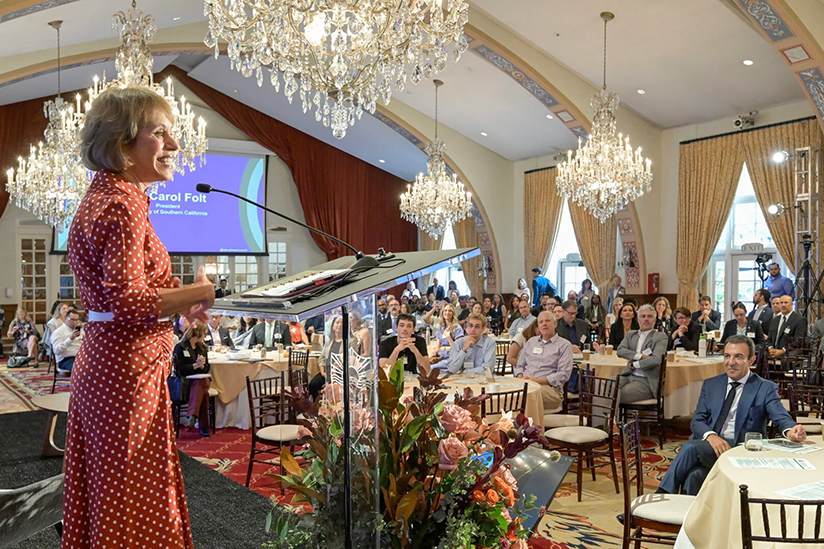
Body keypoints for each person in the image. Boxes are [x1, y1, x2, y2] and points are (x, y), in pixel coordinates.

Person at [63, 86, 217, 549]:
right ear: (122, 145)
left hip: (110, 365)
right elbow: (129, 303)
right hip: (125, 374)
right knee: (133, 501)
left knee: (113, 496)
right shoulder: (123, 204)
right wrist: (201, 291)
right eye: (160, 134)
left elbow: (123, 298)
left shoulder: (105, 197)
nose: (174, 146)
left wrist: (180, 302)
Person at [657, 336, 804, 496]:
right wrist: (711, 436)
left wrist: (791, 431)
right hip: (712, 448)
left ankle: (661, 498)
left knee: (692, 460)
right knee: (693, 471)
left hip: (742, 451)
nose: (731, 362)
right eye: (727, 356)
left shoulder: (764, 388)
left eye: (738, 357)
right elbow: (698, 420)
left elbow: (780, 416)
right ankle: (684, 518)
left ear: (751, 360)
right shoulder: (711, 384)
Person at [514, 311, 573, 410]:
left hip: (550, 390)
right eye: (541, 322)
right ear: (538, 326)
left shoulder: (564, 345)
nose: (544, 324)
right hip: (525, 384)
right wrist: (520, 378)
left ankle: (529, 424)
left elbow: (563, 374)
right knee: (506, 392)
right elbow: (519, 365)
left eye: (547, 321)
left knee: (527, 394)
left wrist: (537, 381)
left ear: (555, 324)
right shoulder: (531, 342)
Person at [616, 305, 668, 405]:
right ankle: (606, 419)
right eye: (643, 316)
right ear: (638, 319)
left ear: (655, 319)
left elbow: (656, 359)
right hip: (628, 375)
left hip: (646, 381)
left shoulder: (660, 337)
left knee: (615, 393)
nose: (646, 319)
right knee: (604, 387)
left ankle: (610, 419)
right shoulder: (631, 334)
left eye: (649, 316)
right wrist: (640, 356)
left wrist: (634, 364)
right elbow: (620, 351)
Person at [173, 324, 213, 437]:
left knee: (201, 381)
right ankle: (203, 427)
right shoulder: (180, 347)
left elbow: (207, 368)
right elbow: (180, 369)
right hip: (186, 382)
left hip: (202, 378)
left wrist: (201, 366)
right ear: (198, 333)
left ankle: (192, 415)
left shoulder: (202, 347)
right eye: (204, 333)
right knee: (203, 392)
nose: (205, 336)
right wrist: (195, 366)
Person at [51, 308, 83, 373]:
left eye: (76, 320)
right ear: (65, 319)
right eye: (72, 319)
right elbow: (56, 350)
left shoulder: (81, 331)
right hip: (66, 359)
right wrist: (70, 339)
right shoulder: (58, 332)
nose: (74, 322)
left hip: (81, 357)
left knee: (95, 365)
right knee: (81, 368)